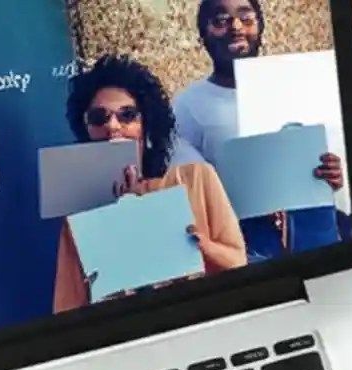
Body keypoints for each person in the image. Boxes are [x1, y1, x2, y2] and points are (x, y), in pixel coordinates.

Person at [53, 54, 247, 313]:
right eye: (99, 117)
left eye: (127, 115)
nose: (112, 126)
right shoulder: (81, 209)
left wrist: (202, 245)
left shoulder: (196, 178)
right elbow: (68, 306)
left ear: (147, 123)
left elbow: (238, 262)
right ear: (85, 128)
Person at [173, 0, 351, 261]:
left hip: (315, 229)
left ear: (260, 27)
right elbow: (189, 187)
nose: (235, 27)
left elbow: (335, 156)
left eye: (246, 18)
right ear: (203, 35)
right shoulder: (186, 106)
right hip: (246, 242)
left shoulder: (300, 86)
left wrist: (334, 174)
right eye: (221, 21)